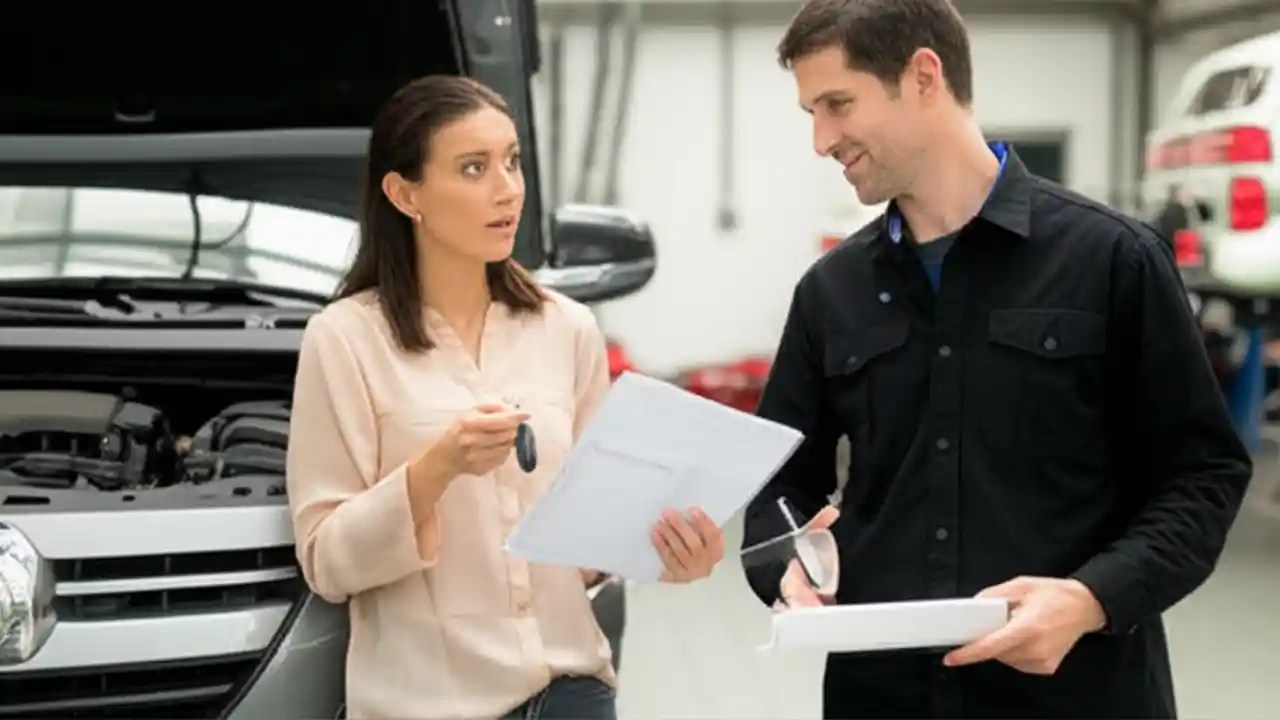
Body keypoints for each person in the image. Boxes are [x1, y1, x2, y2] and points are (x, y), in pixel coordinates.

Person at [739, 1, 1254, 718]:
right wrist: (783, 565)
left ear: (924, 75)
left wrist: (1089, 599)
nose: (822, 140)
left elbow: (1203, 476)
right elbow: (777, 489)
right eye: (811, 113)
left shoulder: (1112, 261)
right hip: (885, 699)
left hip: (1080, 697)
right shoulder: (831, 292)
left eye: (837, 104)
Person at [285, 74, 725, 720]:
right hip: (426, 704)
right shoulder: (344, 340)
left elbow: (592, 542)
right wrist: (437, 469)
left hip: (570, 690)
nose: (507, 190)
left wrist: (663, 552)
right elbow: (327, 562)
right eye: (473, 168)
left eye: (512, 162)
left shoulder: (566, 327)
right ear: (406, 194)